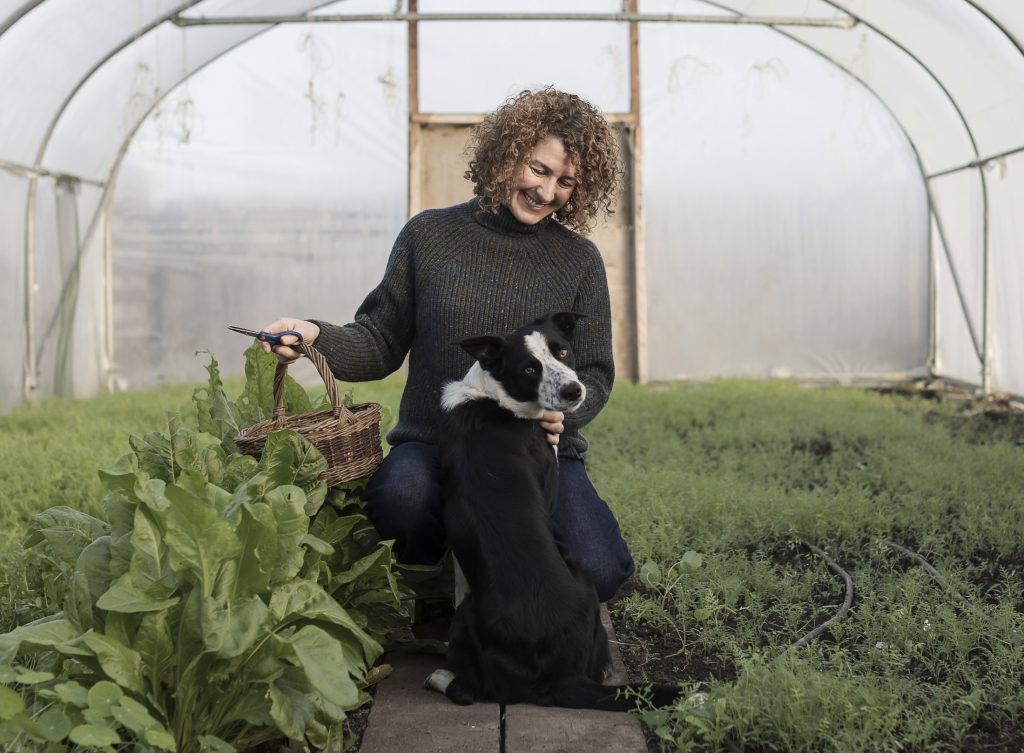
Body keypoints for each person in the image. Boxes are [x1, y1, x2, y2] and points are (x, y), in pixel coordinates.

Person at [260, 87, 633, 602]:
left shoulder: (579, 260)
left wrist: (563, 414)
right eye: (538, 170)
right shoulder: (429, 236)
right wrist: (315, 335)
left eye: (566, 182)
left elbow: (593, 371)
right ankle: (436, 584)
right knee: (401, 497)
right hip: (437, 442)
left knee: (603, 567)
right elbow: (379, 339)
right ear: (508, 154)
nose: (548, 192)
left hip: (534, 453)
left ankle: (525, 605)